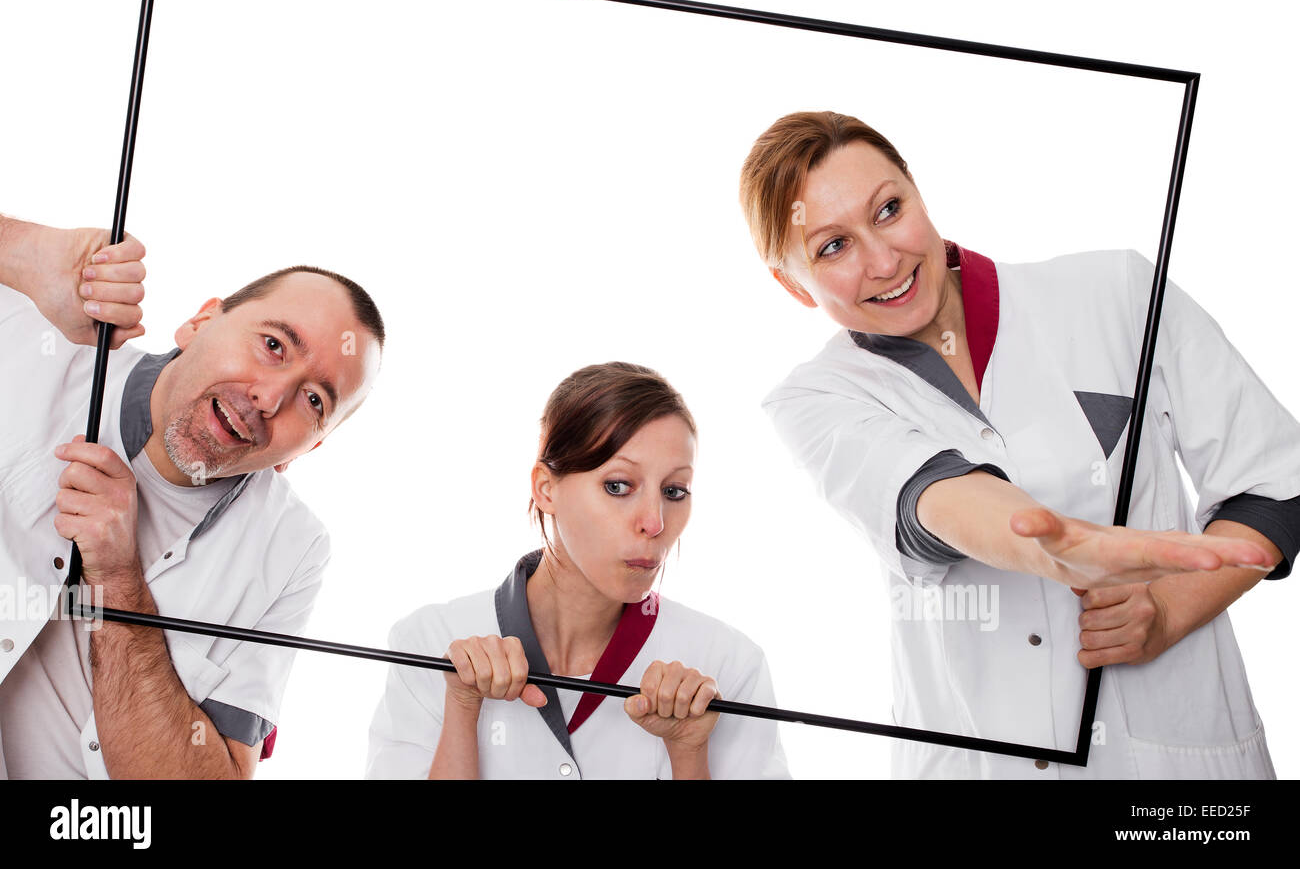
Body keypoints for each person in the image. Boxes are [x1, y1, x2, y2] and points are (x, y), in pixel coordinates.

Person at [739, 111, 1298, 779]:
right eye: (832, 247)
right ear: (791, 284)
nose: (884, 261)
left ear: (918, 188)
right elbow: (933, 500)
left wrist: (1172, 609)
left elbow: (1277, 486)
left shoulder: (1114, 293)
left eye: (889, 209)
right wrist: (1061, 547)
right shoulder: (816, 398)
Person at [0, 213, 384, 778]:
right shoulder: (33, 343)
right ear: (200, 322)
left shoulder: (293, 550)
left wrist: (117, 578)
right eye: (274, 345)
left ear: (304, 451)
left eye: (314, 401)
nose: (269, 397)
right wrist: (23, 249)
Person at [366, 362, 789, 779]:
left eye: (674, 491)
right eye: (618, 486)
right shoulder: (427, 644)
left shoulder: (729, 666)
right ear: (546, 489)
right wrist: (460, 709)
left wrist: (690, 755)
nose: (655, 522)